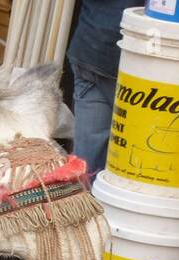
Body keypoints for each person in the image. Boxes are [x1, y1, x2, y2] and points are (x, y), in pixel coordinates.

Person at [67, 0, 132, 175]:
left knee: (87, 160)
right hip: (132, 62)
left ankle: (85, 199)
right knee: (136, 158)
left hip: (91, 46)